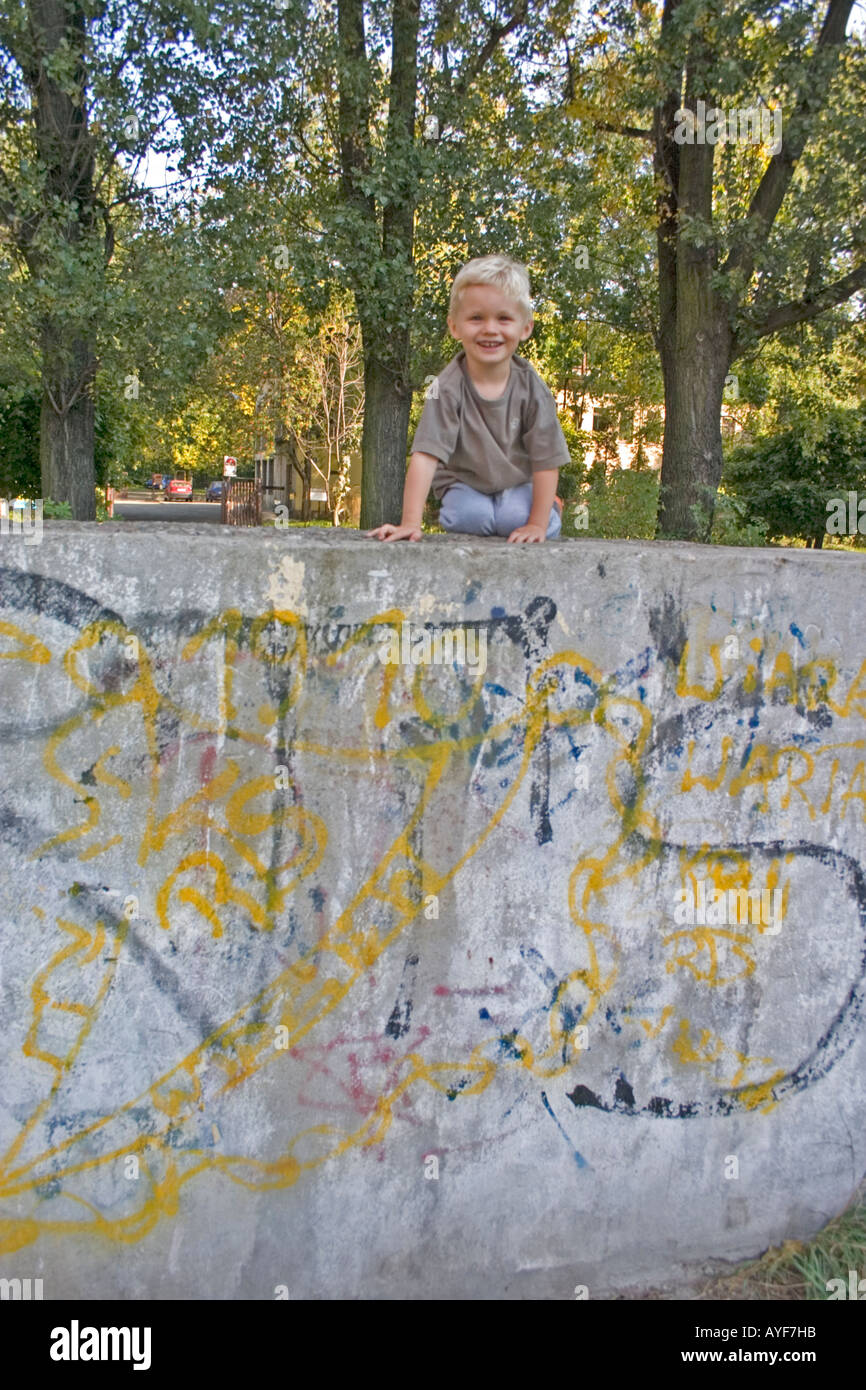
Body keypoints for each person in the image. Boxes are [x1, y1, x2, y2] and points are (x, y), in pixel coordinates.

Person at [366, 254, 570, 544]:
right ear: (454, 326)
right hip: (467, 486)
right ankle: (498, 512)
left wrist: (537, 524)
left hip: (518, 484)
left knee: (514, 519)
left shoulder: (533, 389)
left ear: (525, 328)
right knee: (468, 518)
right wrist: (410, 522)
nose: (490, 329)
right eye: (476, 318)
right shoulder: (446, 387)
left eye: (504, 318)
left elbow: (547, 459)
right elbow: (425, 455)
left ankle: (551, 507)